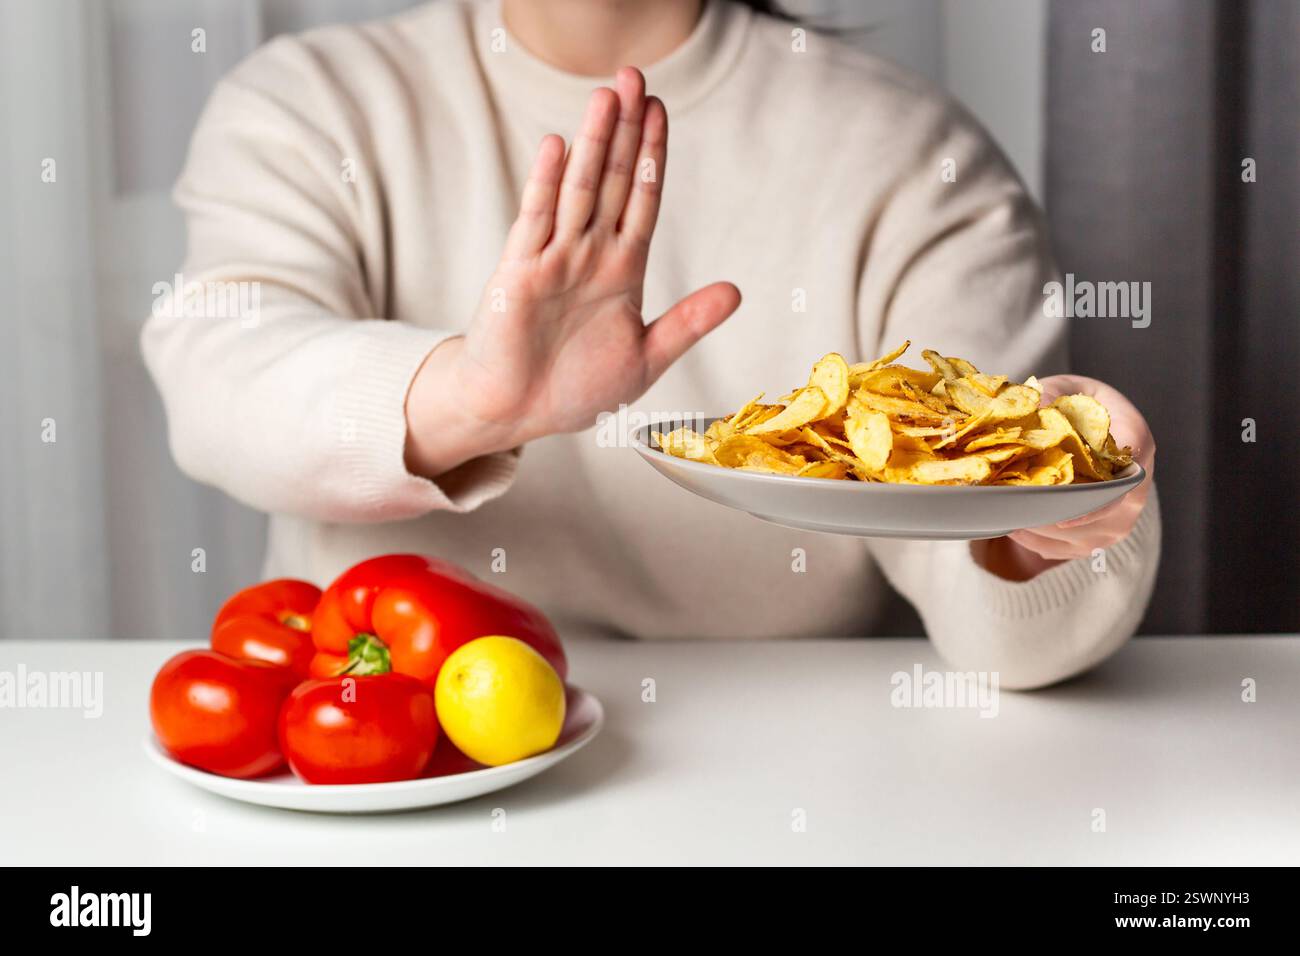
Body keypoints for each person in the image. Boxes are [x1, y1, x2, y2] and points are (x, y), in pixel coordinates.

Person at [142, 0, 1159, 689]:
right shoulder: (312, 105)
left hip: (788, 776)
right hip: (399, 759)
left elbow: (1007, 638)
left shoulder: (912, 158)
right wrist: (469, 398)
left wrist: (1038, 533)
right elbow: (221, 377)